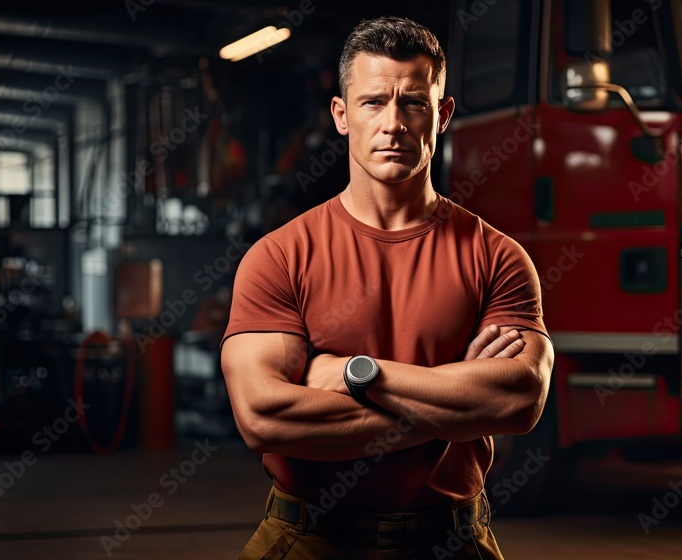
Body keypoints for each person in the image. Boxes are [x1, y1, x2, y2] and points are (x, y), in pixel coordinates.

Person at [221, 15, 554, 560]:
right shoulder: (278, 256)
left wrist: (359, 374)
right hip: (309, 539)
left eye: (414, 103)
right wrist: (455, 405)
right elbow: (264, 416)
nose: (393, 123)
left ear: (442, 115)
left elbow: (518, 399)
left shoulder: (497, 256)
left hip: (452, 538)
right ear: (341, 115)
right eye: (374, 102)